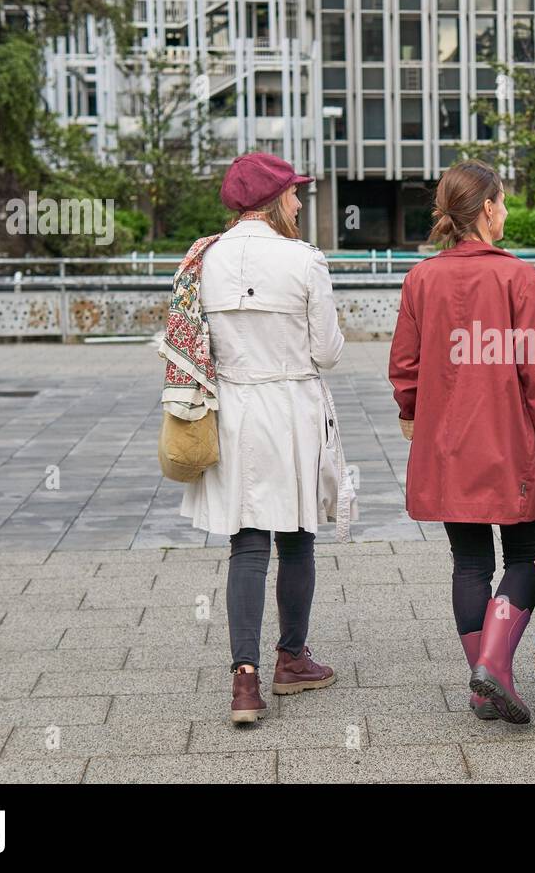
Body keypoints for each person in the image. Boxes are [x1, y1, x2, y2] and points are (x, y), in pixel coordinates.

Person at [388, 159, 535, 725]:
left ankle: (481, 682)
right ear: (488, 208)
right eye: (504, 202)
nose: (508, 211)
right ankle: (494, 664)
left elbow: (404, 366)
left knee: (468, 563)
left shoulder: (421, 278)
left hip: (447, 448)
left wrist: (416, 419)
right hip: (511, 443)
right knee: (524, 555)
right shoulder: (518, 277)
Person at [174, 152, 346, 724]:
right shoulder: (304, 260)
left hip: (235, 413)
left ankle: (244, 683)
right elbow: (327, 352)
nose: (299, 201)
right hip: (292, 409)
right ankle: (291, 659)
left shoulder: (205, 259)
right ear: (274, 201)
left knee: (247, 544)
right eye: (294, 193)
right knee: (297, 537)